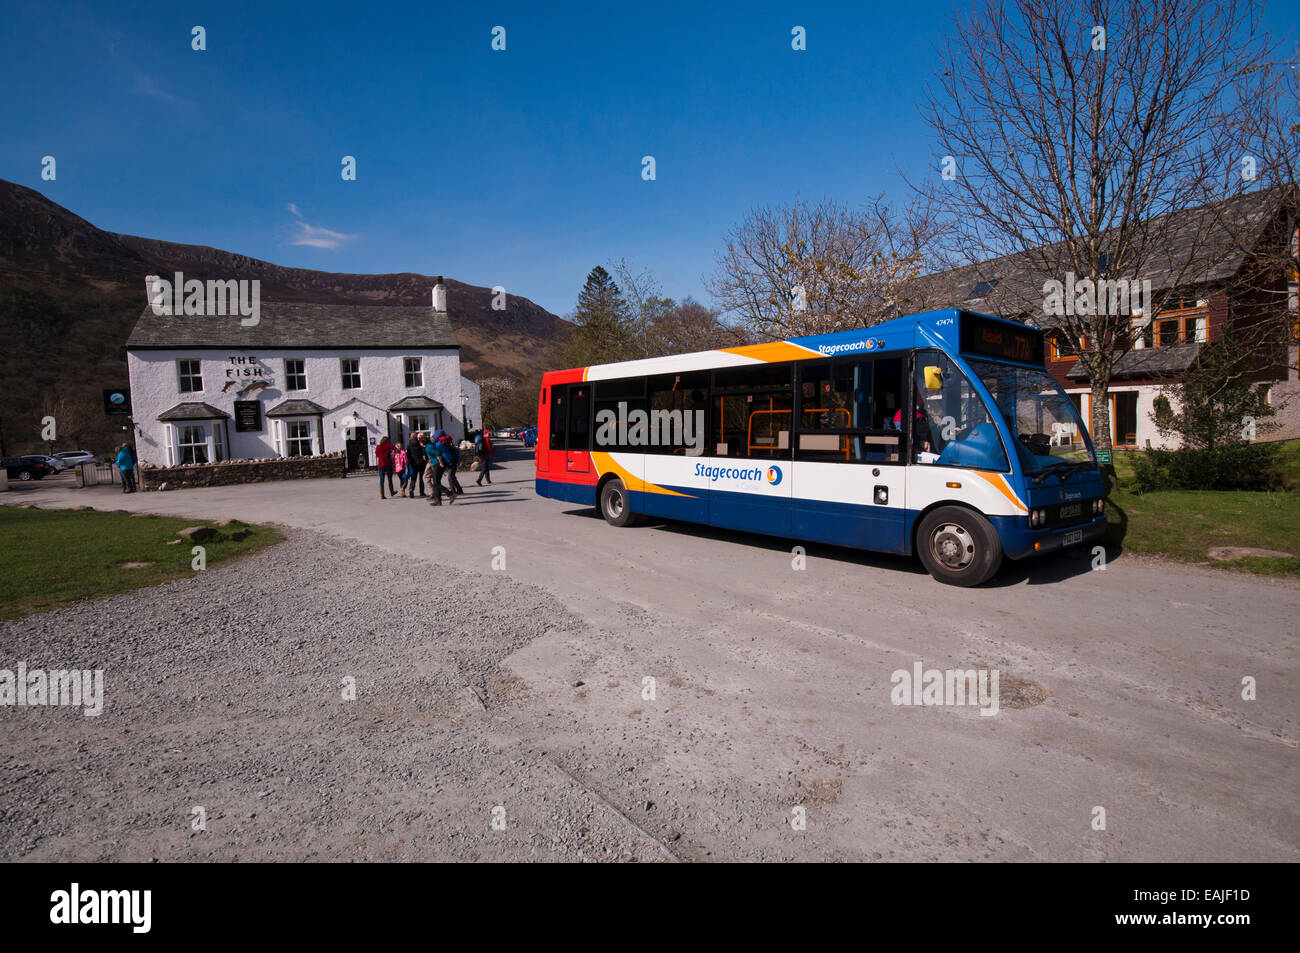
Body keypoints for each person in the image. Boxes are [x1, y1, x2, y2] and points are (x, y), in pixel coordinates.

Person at [425, 432, 454, 505]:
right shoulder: (430, 445)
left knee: (436, 483)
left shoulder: (428, 447)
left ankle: (450, 494)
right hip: (437, 465)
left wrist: (441, 463)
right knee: (436, 482)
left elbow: (438, 454)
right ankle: (438, 500)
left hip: (437, 465)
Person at [406, 432, 426, 498]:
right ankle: (421, 492)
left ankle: (411, 488)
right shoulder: (419, 443)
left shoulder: (409, 444)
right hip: (421, 462)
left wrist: (409, 462)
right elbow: (423, 451)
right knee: (421, 477)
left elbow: (408, 454)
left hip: (413, 462)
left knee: (413, 477)